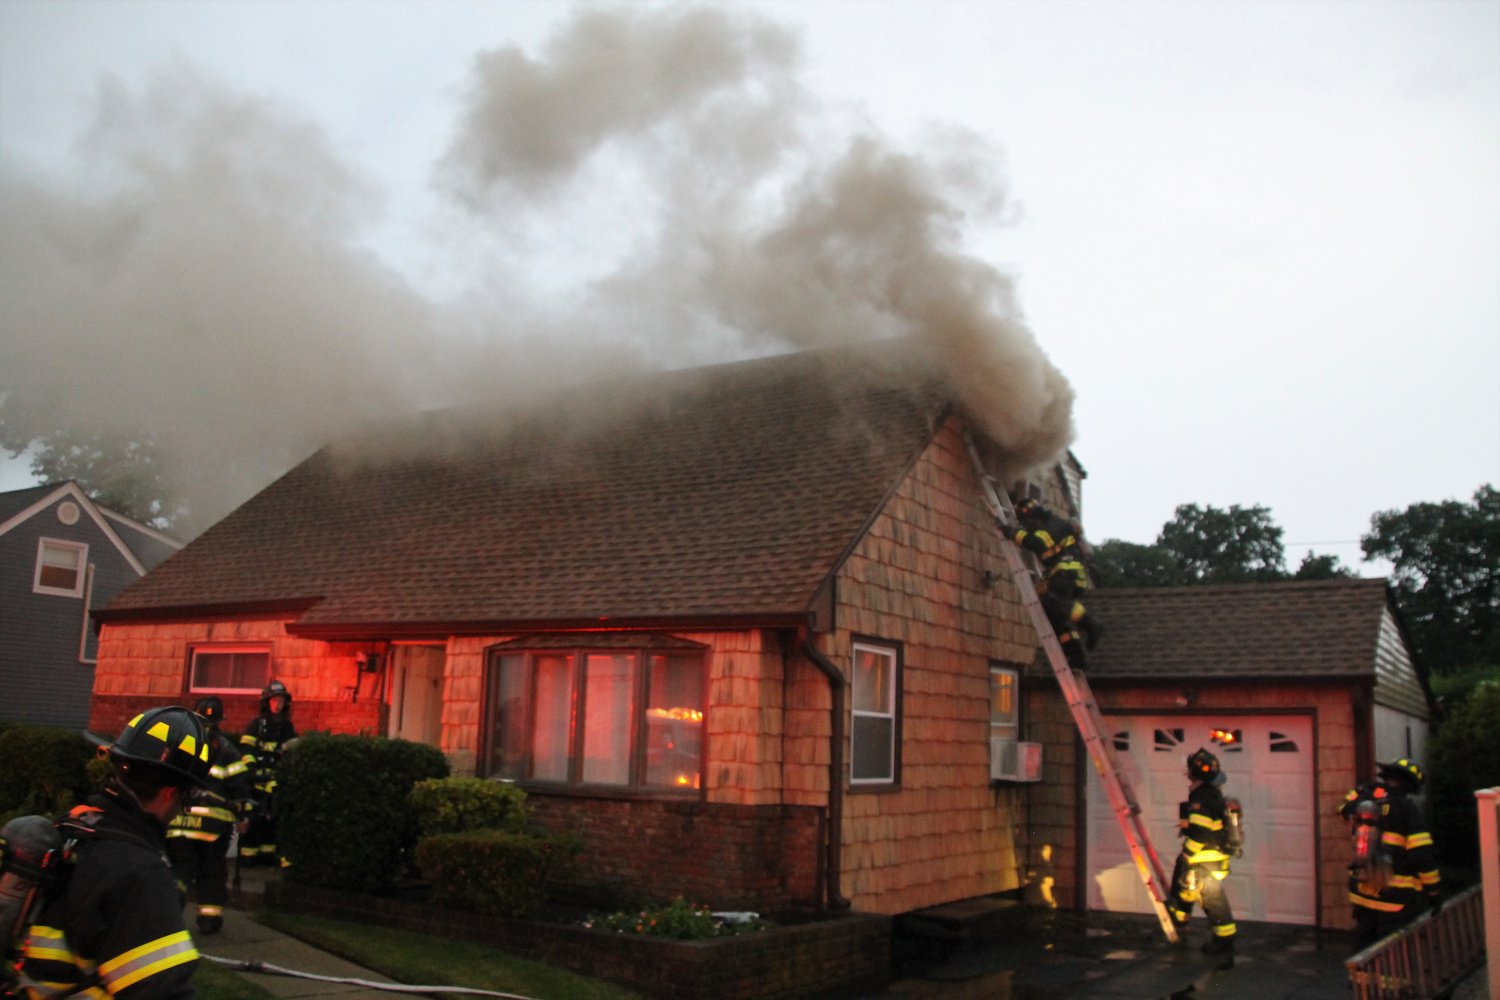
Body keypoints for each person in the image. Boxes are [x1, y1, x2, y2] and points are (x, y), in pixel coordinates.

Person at [17, 706, 212, 1000]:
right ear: (171, 793)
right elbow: (163, 992)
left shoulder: (73, 826)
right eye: (186, 799)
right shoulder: (140, 875)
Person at [166, 696, 254, 935]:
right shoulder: (227, 750)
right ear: (219, 721)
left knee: (178, 873)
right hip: (213, 828)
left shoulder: (181, 746)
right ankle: (209, 920)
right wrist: (243, 816)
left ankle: (167, 918)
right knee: (211, 872)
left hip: (179, 823)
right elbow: (240, 787)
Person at [1339, 757, 1441, 949]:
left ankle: (1360, 979)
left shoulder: (1365, 796)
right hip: (1395, 897)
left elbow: (1343, 809)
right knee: (1392, 953)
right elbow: (1422, 855)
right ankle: (1386, 979)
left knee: (1363, 944)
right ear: (1409, 785)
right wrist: (1433, 891)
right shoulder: (1407, 810)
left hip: (1363, 891)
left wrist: (1364, 792)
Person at [1009, 497, 1104, 669]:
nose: (1027, 525)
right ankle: (1077, 656)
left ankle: (1091, 624)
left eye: (1027, 521)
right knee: (1056, 619)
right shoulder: (1051, 524)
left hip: (1066, 573)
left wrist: (1013, 533)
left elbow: (1038, 542)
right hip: (1063, 574)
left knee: (1055, 603)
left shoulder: (1052, 525)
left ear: (1032, 515)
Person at [1166, 747, 1238, 956]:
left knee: (1213, 901)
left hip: (1205, 859)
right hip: (1212, 858)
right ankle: (1180, 919)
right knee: (1187, 888)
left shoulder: (1201, 798)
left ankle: (1224, 940)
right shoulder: (1211, 794)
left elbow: (1200, 833)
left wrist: (1187, 855)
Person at [238, 679, 297, 866]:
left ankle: (267, 857)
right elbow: (246, 751)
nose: (277, 705)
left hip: (275, 783)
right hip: (255, 784)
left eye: (280, 701)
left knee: (271, 823)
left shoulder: (287, 728)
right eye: (274, 701)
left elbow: (290, 752)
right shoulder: (257, 725)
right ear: (266, 702)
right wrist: (253, 771)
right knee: (254, 821)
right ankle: (248, 859)